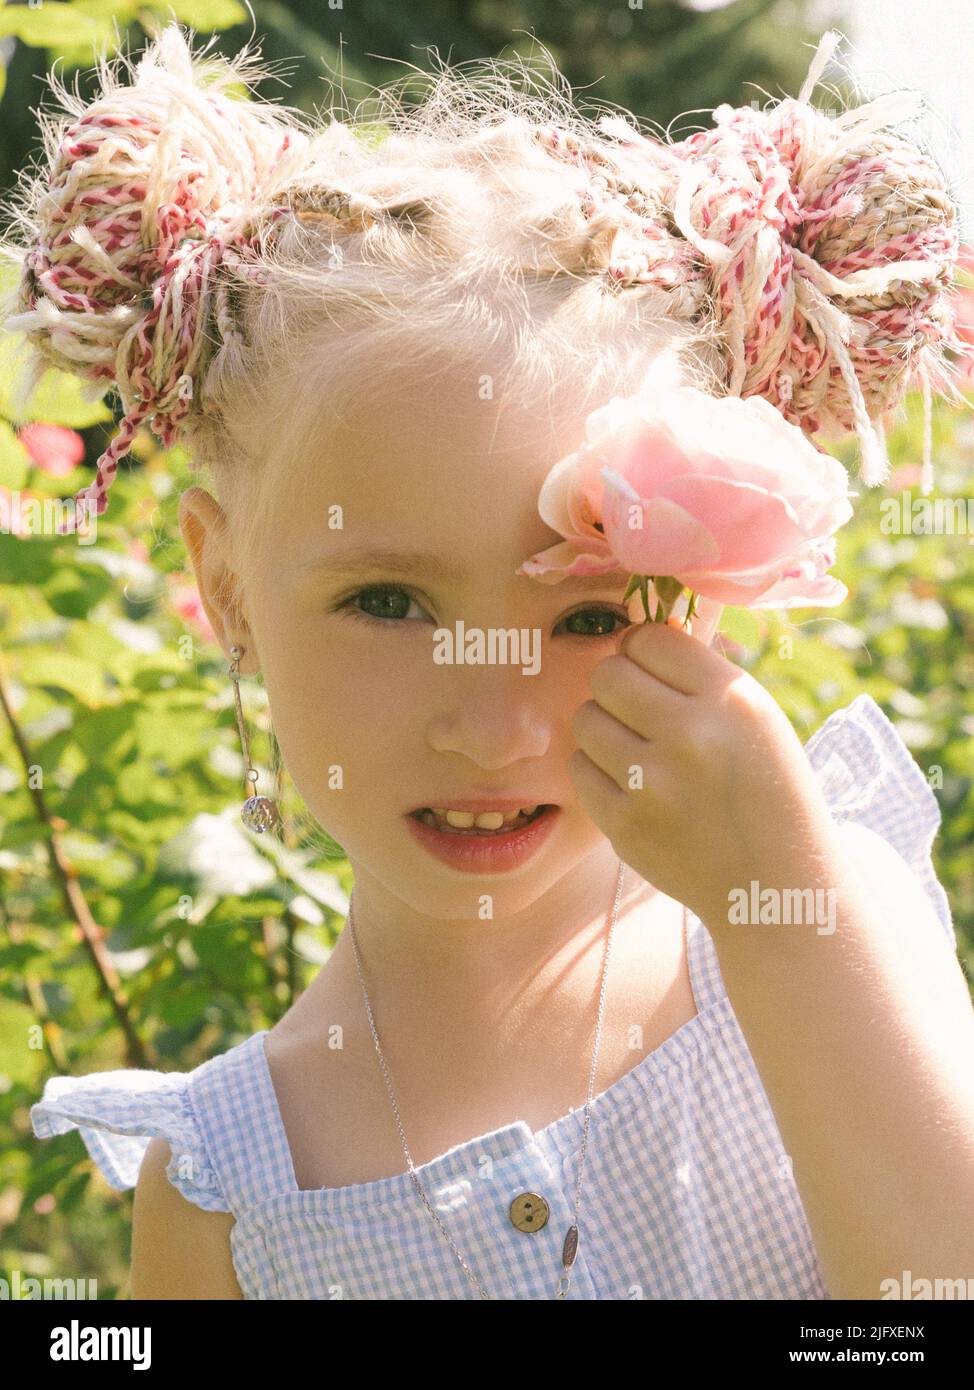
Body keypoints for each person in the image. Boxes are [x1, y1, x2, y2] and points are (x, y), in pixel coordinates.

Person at [6, 23, 974, 1300]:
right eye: (387, 597)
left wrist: (779, 922)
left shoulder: (824, 922)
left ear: (706, 586)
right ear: (225, 583)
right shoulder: (230, 1186)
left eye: (584, 615)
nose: (493, 730)